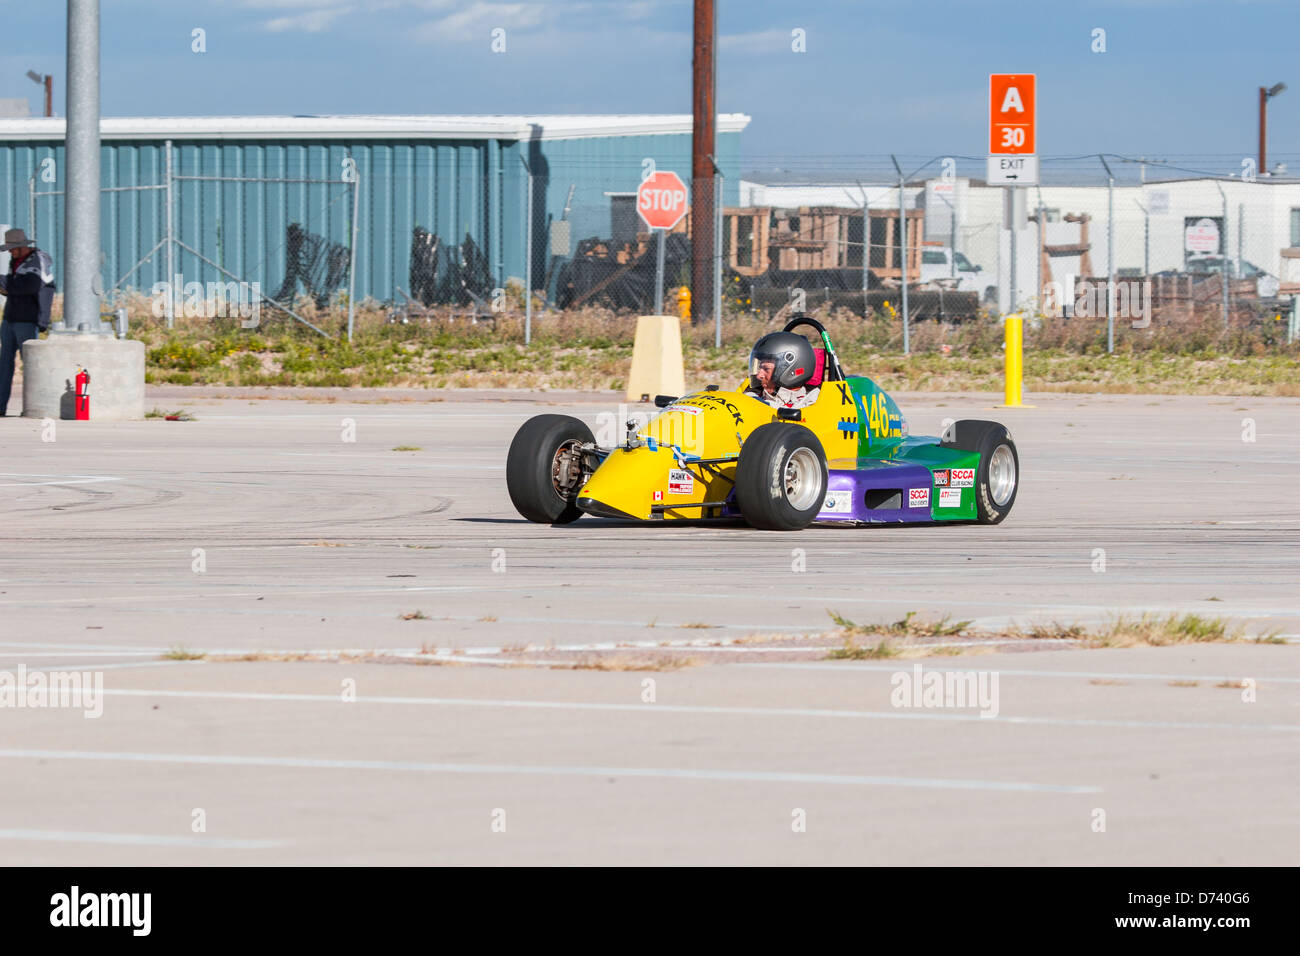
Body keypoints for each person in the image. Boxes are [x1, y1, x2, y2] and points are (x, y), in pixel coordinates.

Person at [0, 228, 55, 417]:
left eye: (13, 248)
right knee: (4, 364)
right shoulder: (14, 262)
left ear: (23, 247)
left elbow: (30, 286)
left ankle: (37, 407)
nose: (10, 252)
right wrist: (7, 286)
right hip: (10, 318)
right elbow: (13, 287)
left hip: (28, 320)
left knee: (31, 365)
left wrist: (6, 285)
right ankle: (0, 406)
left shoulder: (38, 260)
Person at [745, 330, 820, 409]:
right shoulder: (752, 394)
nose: (759, 376)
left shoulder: (811, 403)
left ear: (791, 372)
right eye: (760, 368)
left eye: (766, 369)